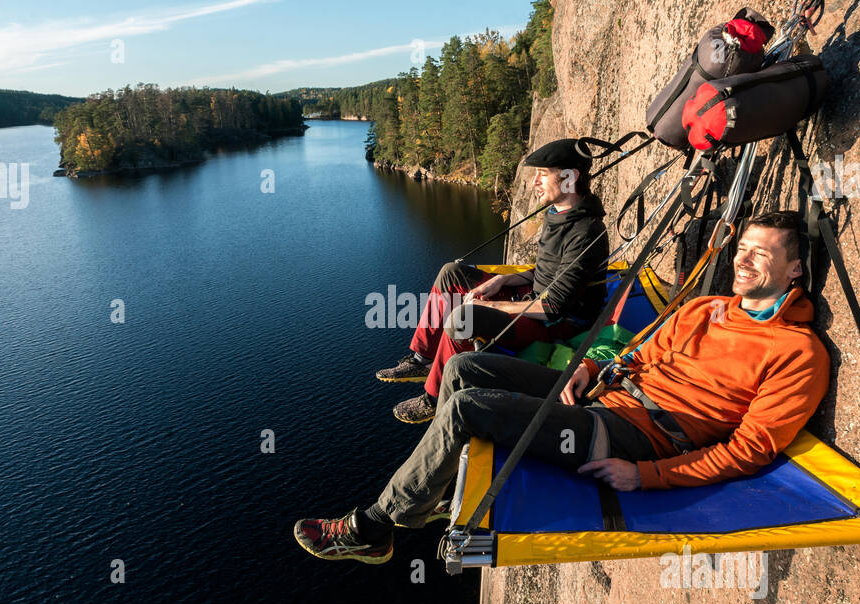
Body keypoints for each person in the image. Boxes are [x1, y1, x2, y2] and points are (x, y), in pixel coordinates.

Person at [295, 210, 830, 564]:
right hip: (605, 396)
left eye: (762, 253)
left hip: (635, 436)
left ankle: (375, 527)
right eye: (743, 248)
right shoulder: (706, 308)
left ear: (795, 270)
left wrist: (647, 475)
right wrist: (592, 370)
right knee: (464, 369)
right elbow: (640, 353)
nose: (742, 258)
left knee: (466, 408)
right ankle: (434, 491)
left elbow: (748, 451)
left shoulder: (798, 353)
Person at [375, 138, 610, 424]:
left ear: (570, 177)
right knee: (452, 272)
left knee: (464, 318)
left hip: (557, 323)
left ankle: (434, 397)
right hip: (534, 299)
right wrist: (502, 280)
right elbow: (546, 271)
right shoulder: (558, 213)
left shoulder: (587, 232)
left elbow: (554, 306)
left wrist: (496, 306)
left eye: (543, 173)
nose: (534, 181)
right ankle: (422, 360)